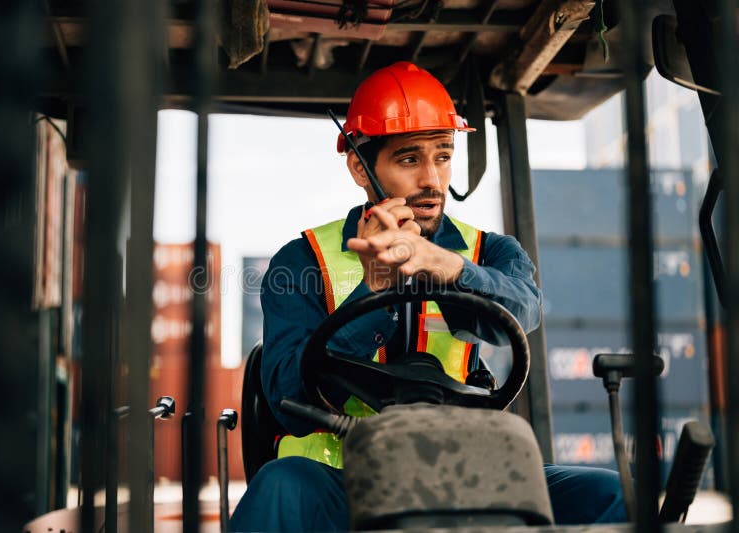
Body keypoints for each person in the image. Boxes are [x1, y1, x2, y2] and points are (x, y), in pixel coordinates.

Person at [230, 61, 625, 532]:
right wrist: (374, 286)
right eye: (409, 159)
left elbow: (524, 311)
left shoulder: (488, 251)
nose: (432, 181)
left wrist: (442, 264)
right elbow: (284, 397)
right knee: (278, 486)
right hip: (339, 479)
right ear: (360, 166)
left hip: (462, 471)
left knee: (612, 495)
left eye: (443, 155)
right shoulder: (302, 261)